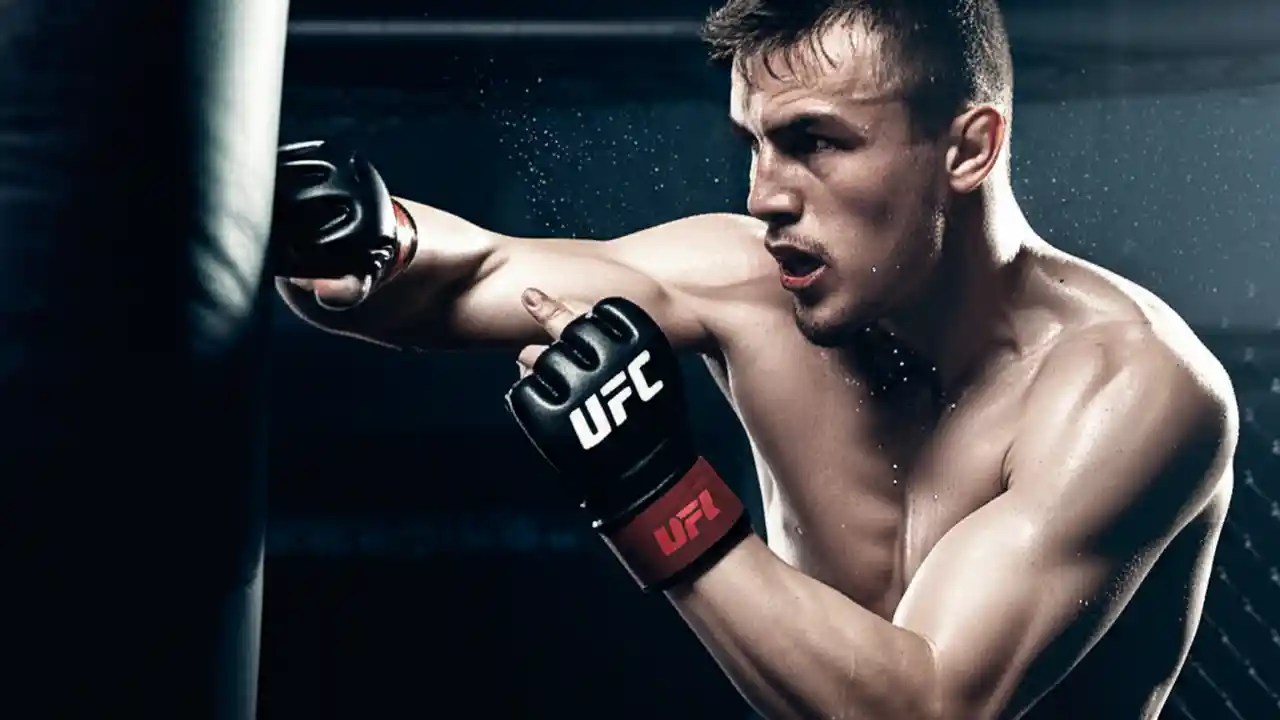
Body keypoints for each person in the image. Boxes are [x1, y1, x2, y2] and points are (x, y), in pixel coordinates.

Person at [272, 1, 1238, 717]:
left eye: (816, 142)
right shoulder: (750, 283)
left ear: (969, 148)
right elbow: (465, 279)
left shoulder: (1129, 388)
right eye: (759, 142)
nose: (766, 194)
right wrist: (365, 240)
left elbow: (929, 704)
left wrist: (655, 492)